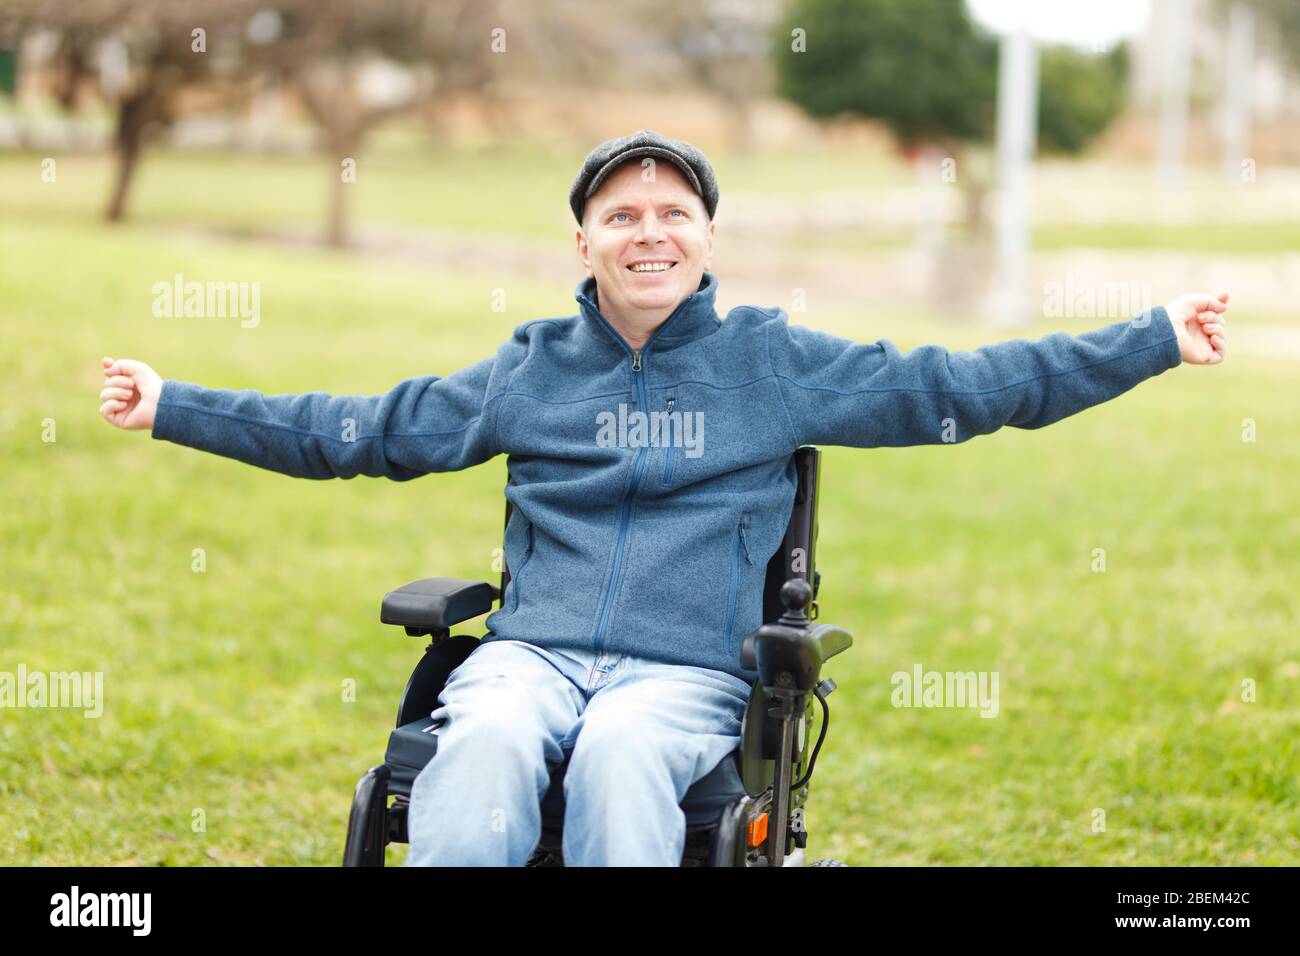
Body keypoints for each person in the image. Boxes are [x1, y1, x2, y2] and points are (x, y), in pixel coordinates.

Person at [98, 130, 1229, 866]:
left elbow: (961, 387)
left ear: (707, 238)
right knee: (481, 734)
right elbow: (362, 429)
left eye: (673, 212)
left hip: (680, 672)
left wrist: (1149, 339)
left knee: (623, 749)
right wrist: (175, 403)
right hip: (530, 655)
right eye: (623, 215)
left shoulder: (770, 362)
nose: (649, 232)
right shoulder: (530, 367)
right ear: (583, 240)